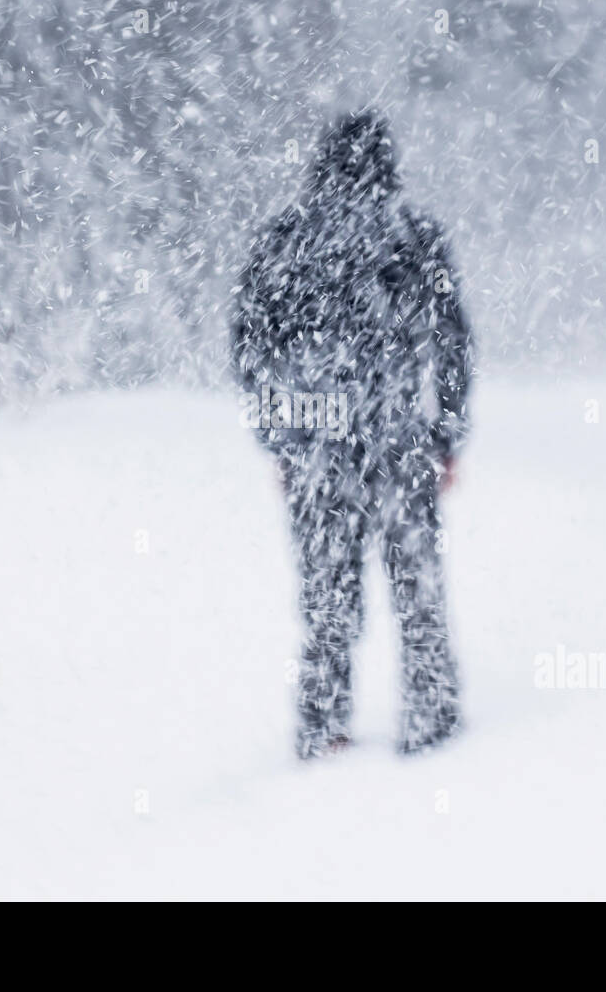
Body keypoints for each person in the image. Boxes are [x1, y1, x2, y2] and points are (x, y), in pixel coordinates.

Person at [231, 109, 474, 758]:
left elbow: (250, 348)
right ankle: (430, 715)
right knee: (416, 587)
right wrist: (445, 436)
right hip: (397, 440)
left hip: (316, 443)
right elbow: (451, 344)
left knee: (326, 594)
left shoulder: (283, 238)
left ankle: (324, 721)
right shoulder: (413, 236)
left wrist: (280, 438)